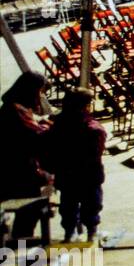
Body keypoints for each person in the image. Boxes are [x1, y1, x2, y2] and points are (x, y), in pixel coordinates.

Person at [43, 87, 106, 242]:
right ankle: (91, 232)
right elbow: (97, 152)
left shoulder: (57, 124)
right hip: (89, 175)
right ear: (86, 106)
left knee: (68, 205)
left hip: (66, 175)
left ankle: (69, 233)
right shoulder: (92, 128)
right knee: (91, 205)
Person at [1, 71, 52, 204]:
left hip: (20, 166)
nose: (40, 96)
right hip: (17, 171)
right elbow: (32, 141)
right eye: (39, 92)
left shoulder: (13, 106)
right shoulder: (15, 113)